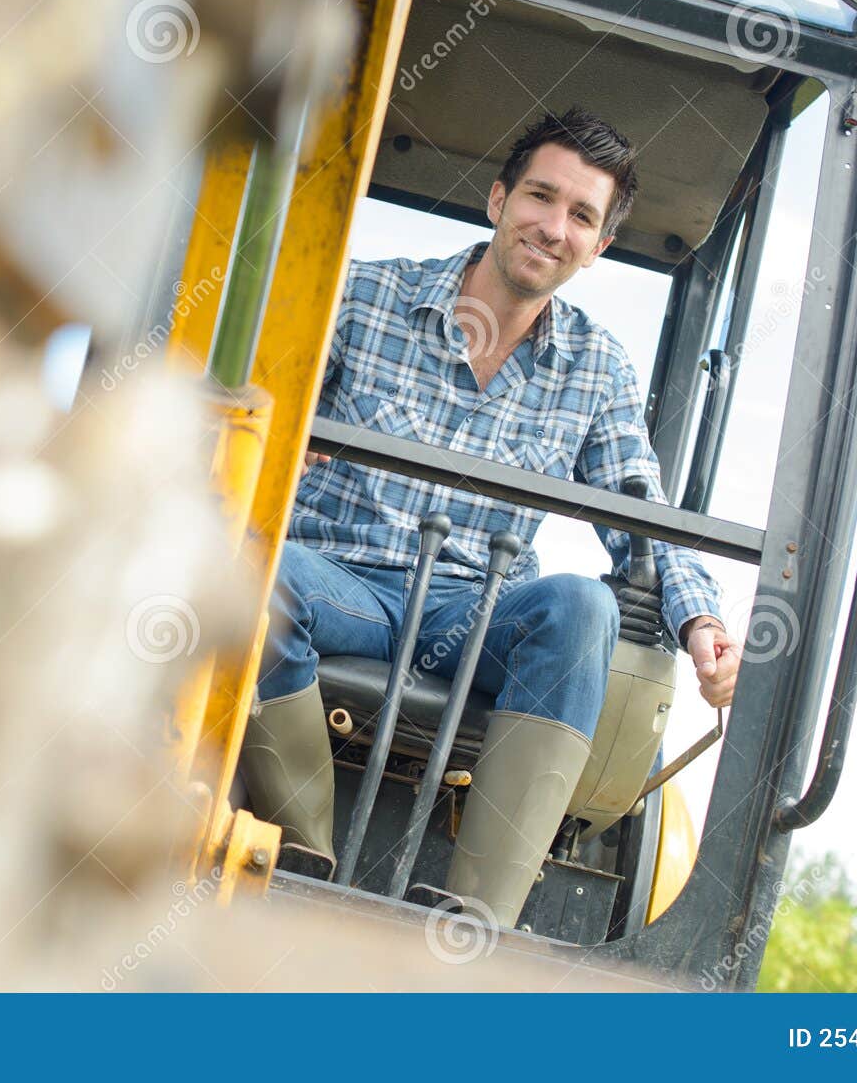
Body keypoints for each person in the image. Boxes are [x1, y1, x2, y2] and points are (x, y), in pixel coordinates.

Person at [241, 106, 741, 928]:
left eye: (581, 215)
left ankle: (478, 919)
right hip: (339, 582)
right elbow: (257, 409)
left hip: (472, 608)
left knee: (585, 605)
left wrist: (701, 619)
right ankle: (301, 855)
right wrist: (281, 445)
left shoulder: (596, 367)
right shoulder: (362, 295)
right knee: (251, 573)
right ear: (499, 199)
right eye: (541, 197)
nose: (554, 226)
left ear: (599, 247)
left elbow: (641, 511)